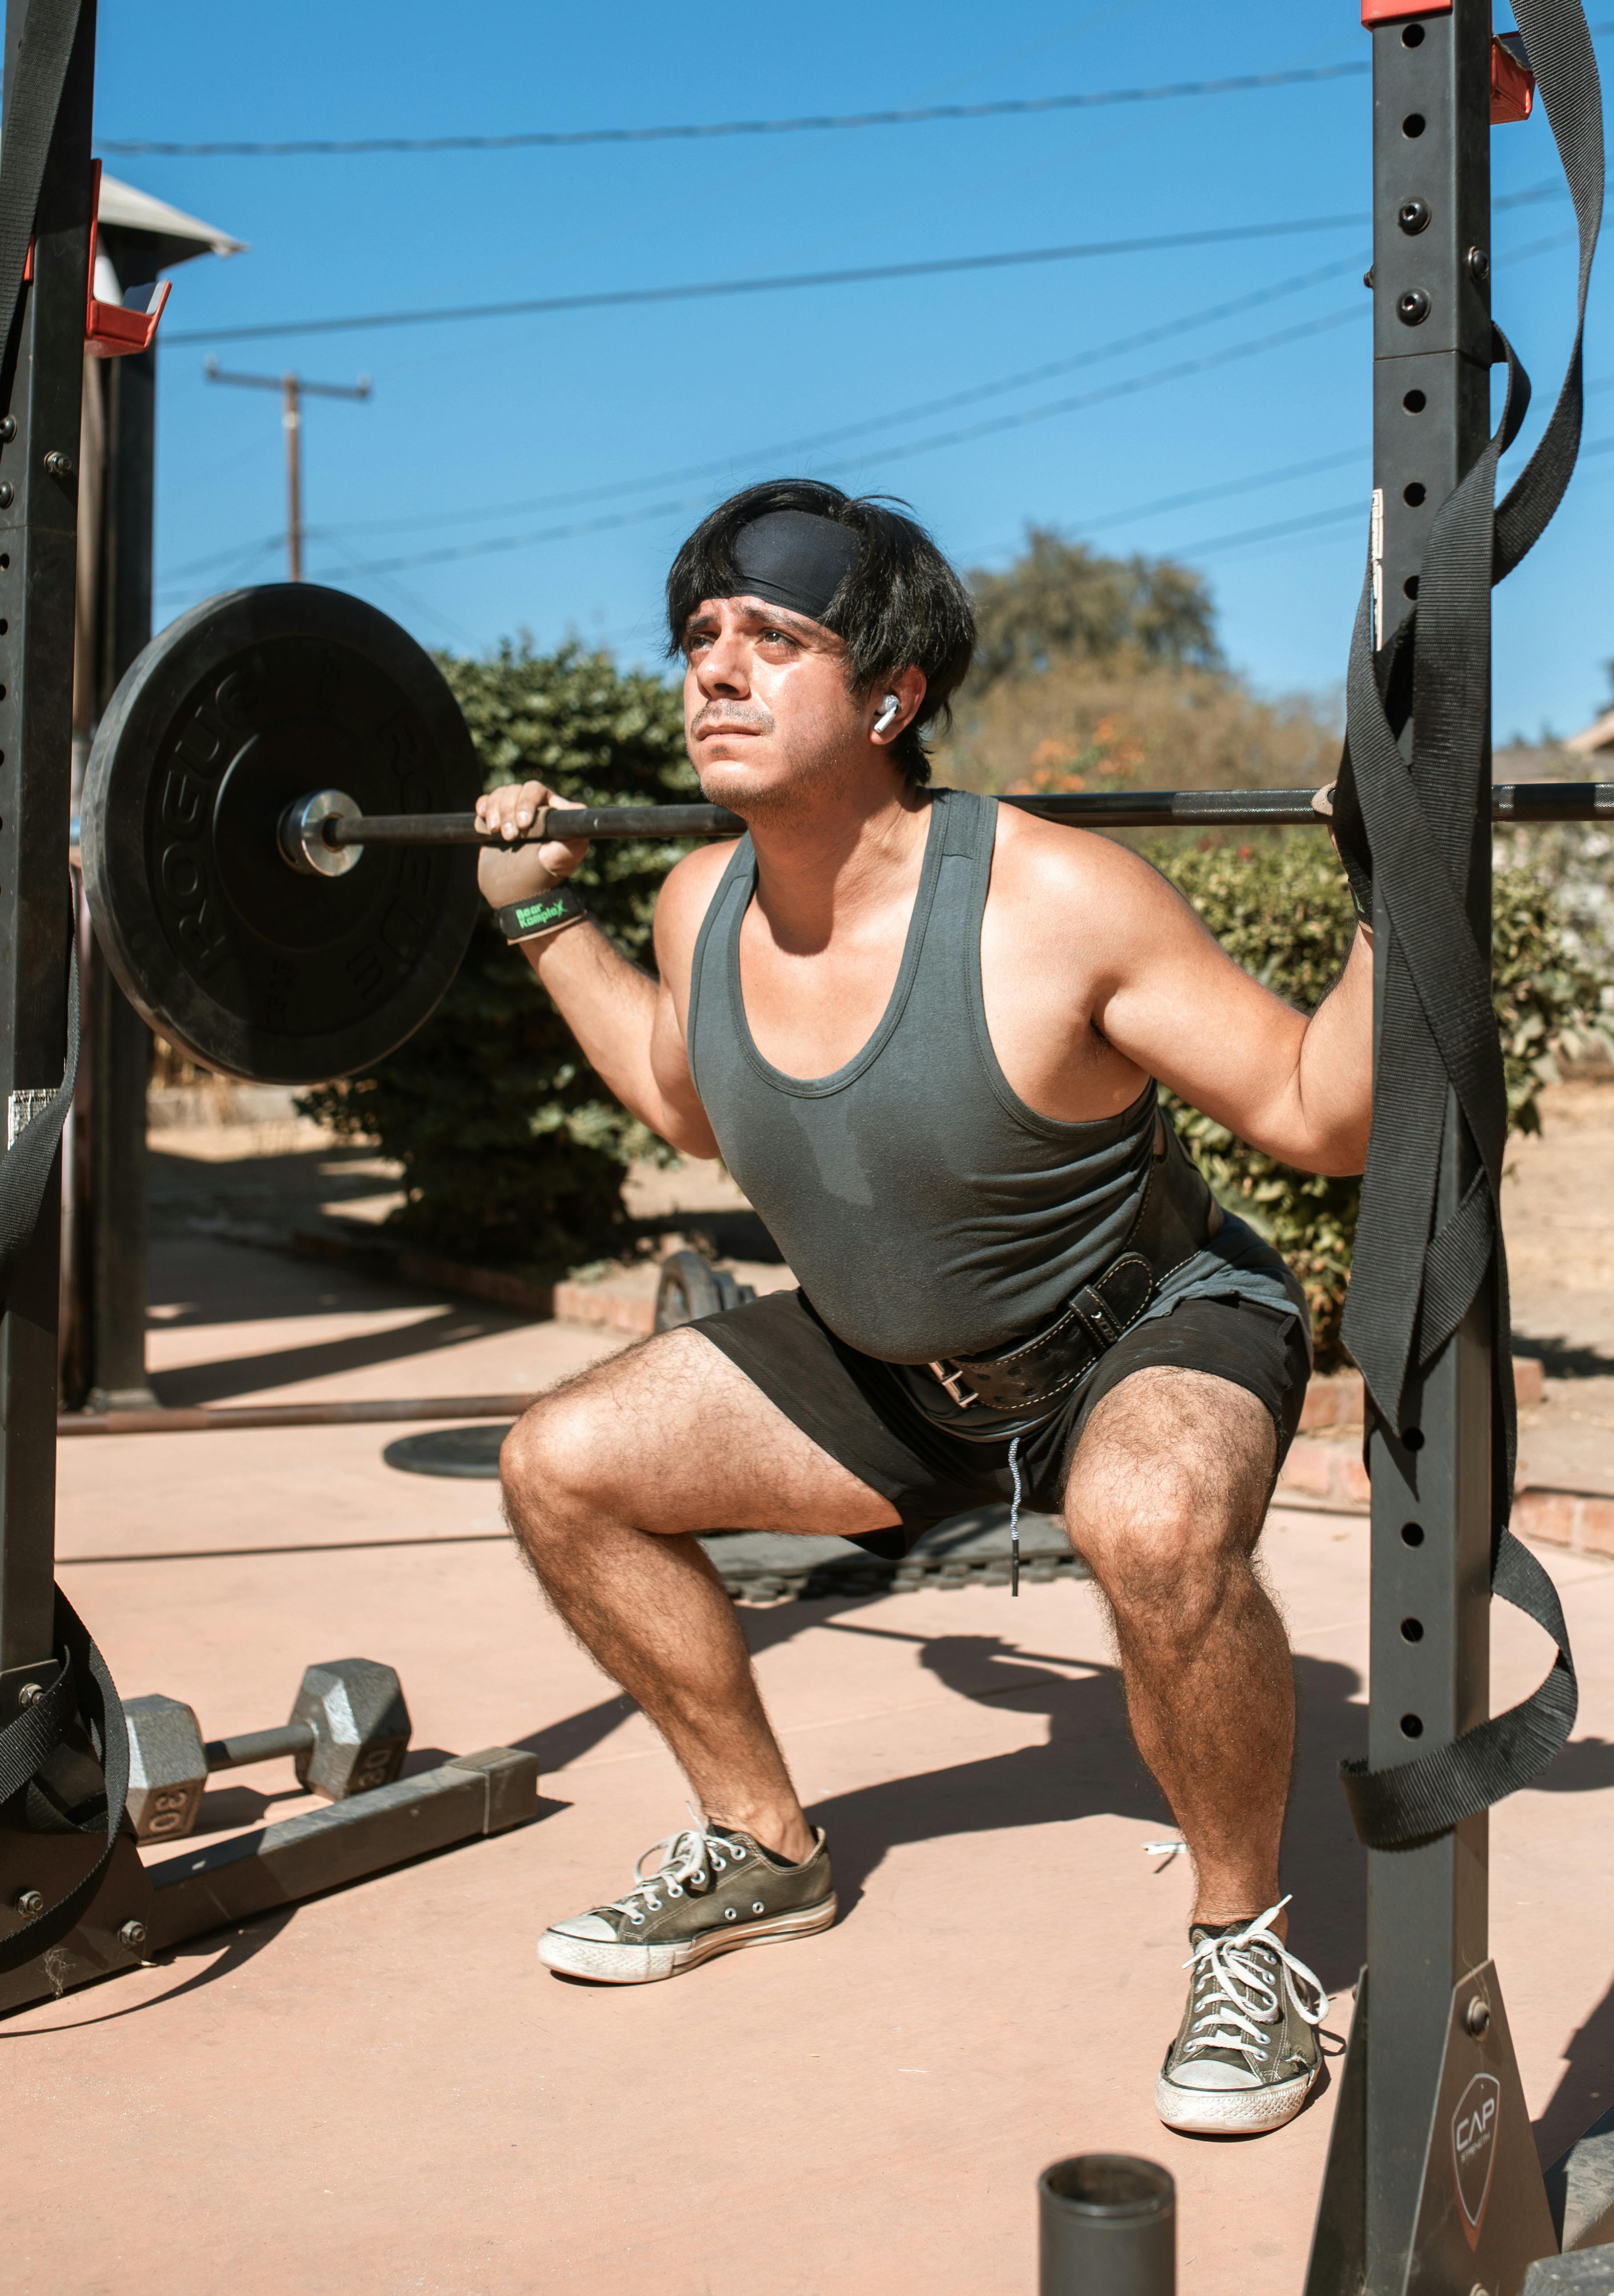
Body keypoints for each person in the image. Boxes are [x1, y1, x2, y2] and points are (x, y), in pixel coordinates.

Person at [479, 480, 1373, 2138]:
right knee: (563, 1465)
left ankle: (1242, 1939)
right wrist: (543, 919)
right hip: (898, 1371)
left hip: (1146, 1325)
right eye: (699, 641)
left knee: (1150, 1516)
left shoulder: (1055, 900)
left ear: (891, 699)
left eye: (774, 641)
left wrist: (1399, 899)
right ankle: (761, 1848)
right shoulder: (700, 901)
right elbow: (688, 1098)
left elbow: (1324, 1115)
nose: (714, 675)